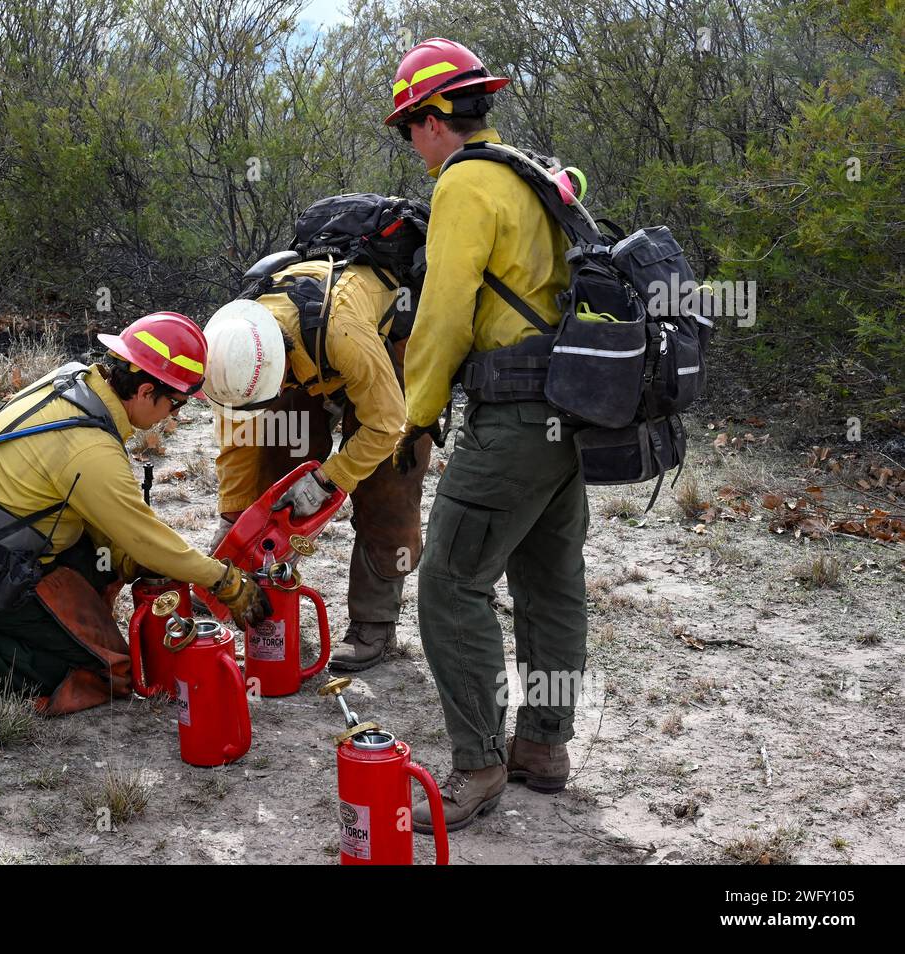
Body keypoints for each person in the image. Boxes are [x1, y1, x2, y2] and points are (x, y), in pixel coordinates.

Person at [387, 38, 588, 831]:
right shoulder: (537, 175)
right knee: (550, 585)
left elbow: (443, 312)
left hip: (511, 420)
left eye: (409, 126)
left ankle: (477, 765)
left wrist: (418, 415)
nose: (411, 142)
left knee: (448, 584)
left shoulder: (466, 184)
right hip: (572, 411)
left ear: (436, 118)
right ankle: (543, 746)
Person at [0, 312, 269, 714]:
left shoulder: (73, 383)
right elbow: (145, 537)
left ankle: (52, 622)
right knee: (108, 674)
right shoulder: (90, 448)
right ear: (144, 390)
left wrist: (121, 557)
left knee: (120, 561)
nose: (175, 416)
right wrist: (224, 580)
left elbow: (106, 519)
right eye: (175, 404)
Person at [203, 256, 430, 672]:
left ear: (277, 365)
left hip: (382, 346)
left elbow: (389, 424)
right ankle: (272, 589)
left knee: (388, 480)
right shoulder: (232, 347)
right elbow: (238, 430)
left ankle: (373, 623)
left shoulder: (344, 332)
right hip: (308, 351)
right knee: (278, 448)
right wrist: (234, 514)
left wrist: (330, 480)